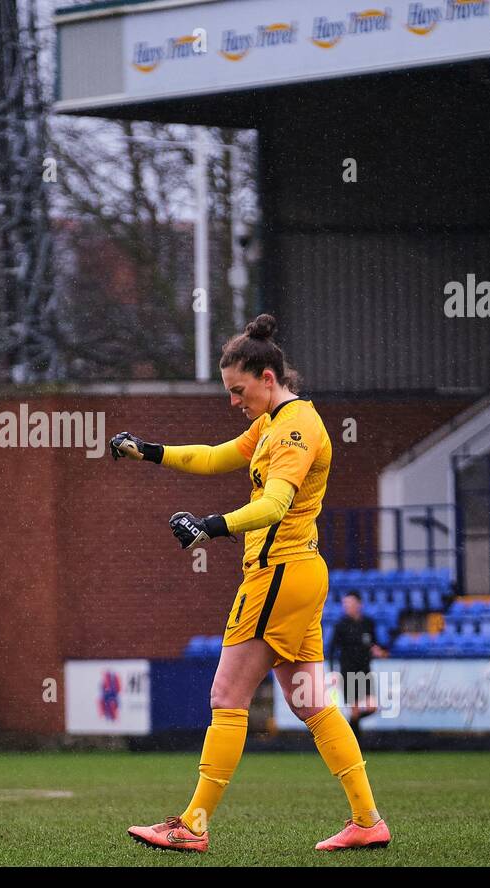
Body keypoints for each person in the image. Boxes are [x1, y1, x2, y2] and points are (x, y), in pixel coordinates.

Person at [112, 313, 389, 853]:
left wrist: (209, 528)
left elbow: (275, 503)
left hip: (279, 574)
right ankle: (367, 819)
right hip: (300, 572)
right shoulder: (275, 421)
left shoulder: (292, 427)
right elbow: (216, 457)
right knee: (312, 702)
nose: (234, 402)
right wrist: (150, 451)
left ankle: (193, 824)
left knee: (226, 694)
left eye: (238, 391)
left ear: (267, 376)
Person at [329, 591, 387, 744]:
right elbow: (331, 649)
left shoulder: (368, 623)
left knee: (372, 707)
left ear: (359, 604)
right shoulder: (341, 625)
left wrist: (376, 650)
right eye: (345, 604)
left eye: (350, 603)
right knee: (354, 710)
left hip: (364, 670)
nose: (347, 606)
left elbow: (373, 643)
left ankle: (347, 731)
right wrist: (333, 672)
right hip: (348, 671)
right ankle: (355, 744)